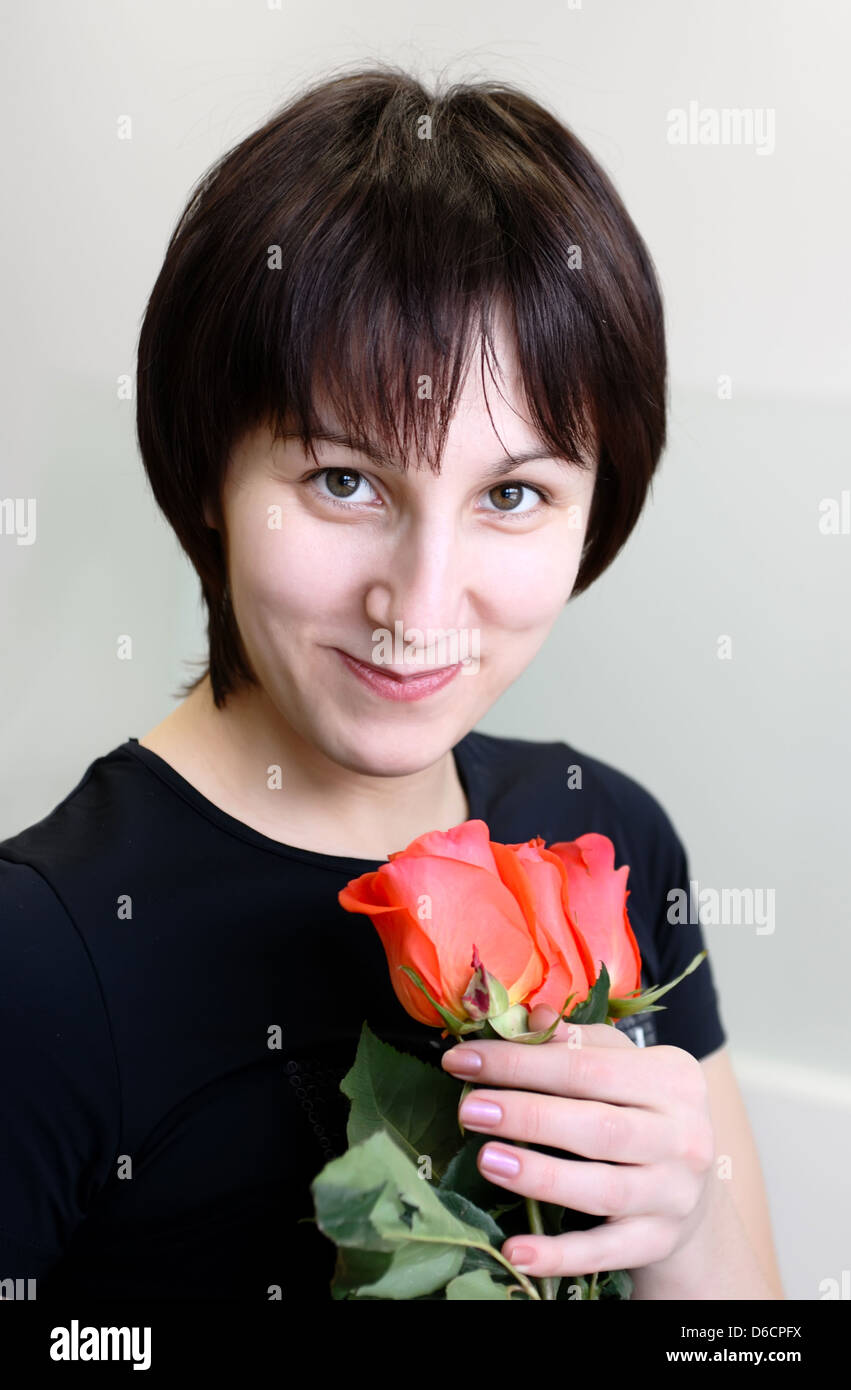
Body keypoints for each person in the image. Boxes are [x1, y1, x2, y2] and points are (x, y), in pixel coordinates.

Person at [0, 64, 783, 1301]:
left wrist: (685, 1227)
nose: (418, 608)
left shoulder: (607, 845)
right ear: (210, 472)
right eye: (343, 481)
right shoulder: (38, 954)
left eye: (511, 496)